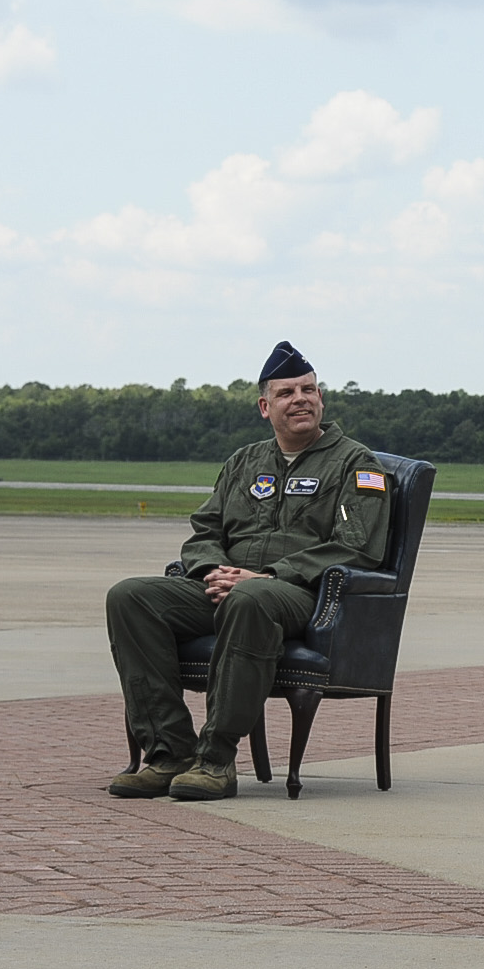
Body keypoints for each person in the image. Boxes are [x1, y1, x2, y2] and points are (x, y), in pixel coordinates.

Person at [105, 342, 392, 801]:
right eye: (286, 393)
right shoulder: (243, 463)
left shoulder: (356, 465)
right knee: (130, 597)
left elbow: (358, 545)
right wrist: (209, 571)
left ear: (322, 399)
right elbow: (205, 529)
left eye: (309, 390)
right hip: (225, 586)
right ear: (265, 406)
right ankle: (169, 753)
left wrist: (271, 575)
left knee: (249, 599)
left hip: (298, 595)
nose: (300, 398)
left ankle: (216, 760)